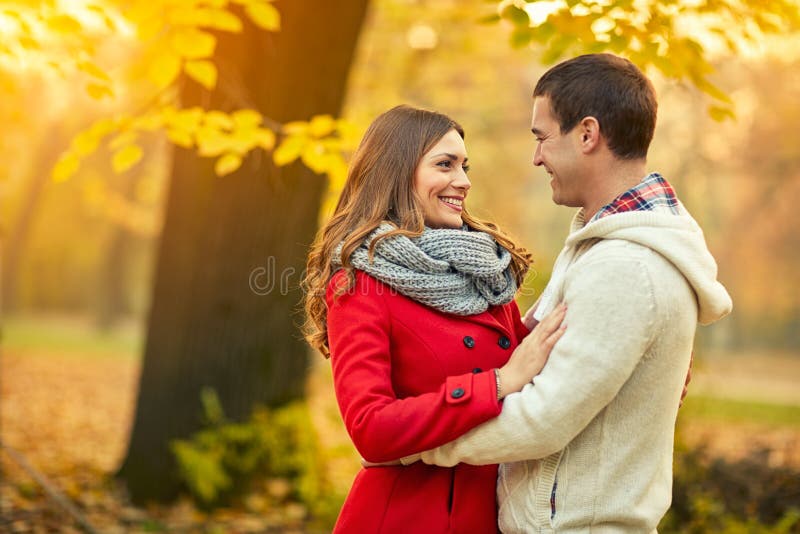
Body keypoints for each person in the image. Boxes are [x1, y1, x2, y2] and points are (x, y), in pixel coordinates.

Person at [398, 54, 733, 532]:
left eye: (542, 137)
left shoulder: (626, 267)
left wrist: (414, 444)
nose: (536, 157)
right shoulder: (606, 248)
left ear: (587, 134)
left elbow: (543, 419)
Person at [302, 105, 567, 533]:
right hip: (407, 515)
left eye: (464, 166)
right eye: (444, 165)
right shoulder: (359, 283)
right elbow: (369, 427)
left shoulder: (484, 272)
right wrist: (496, 385)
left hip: (491, 510)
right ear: (396, 172)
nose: (462, 181)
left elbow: (540, 363)